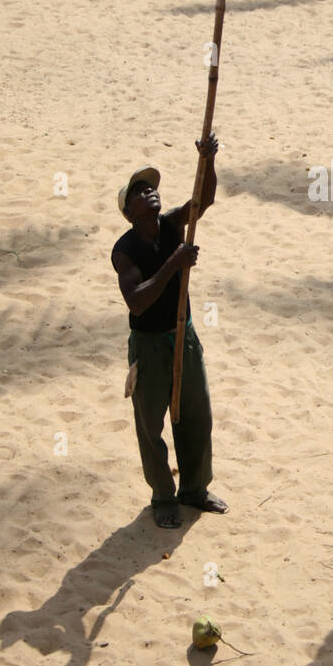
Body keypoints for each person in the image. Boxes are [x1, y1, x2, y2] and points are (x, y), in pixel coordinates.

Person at [111, 134, 227, 529]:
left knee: (197, 412)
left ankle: (194, 489)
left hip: (184, 335)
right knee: (150, 425)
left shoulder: (171, 225)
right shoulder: (125, 250)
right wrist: (174, 264)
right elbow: (137, 301)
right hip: (149, 345)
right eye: (140, 191)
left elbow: (202, 203)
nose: (150, 192)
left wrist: (207, 161)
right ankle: (163, 496)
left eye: (151, 187)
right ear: (129, 211)